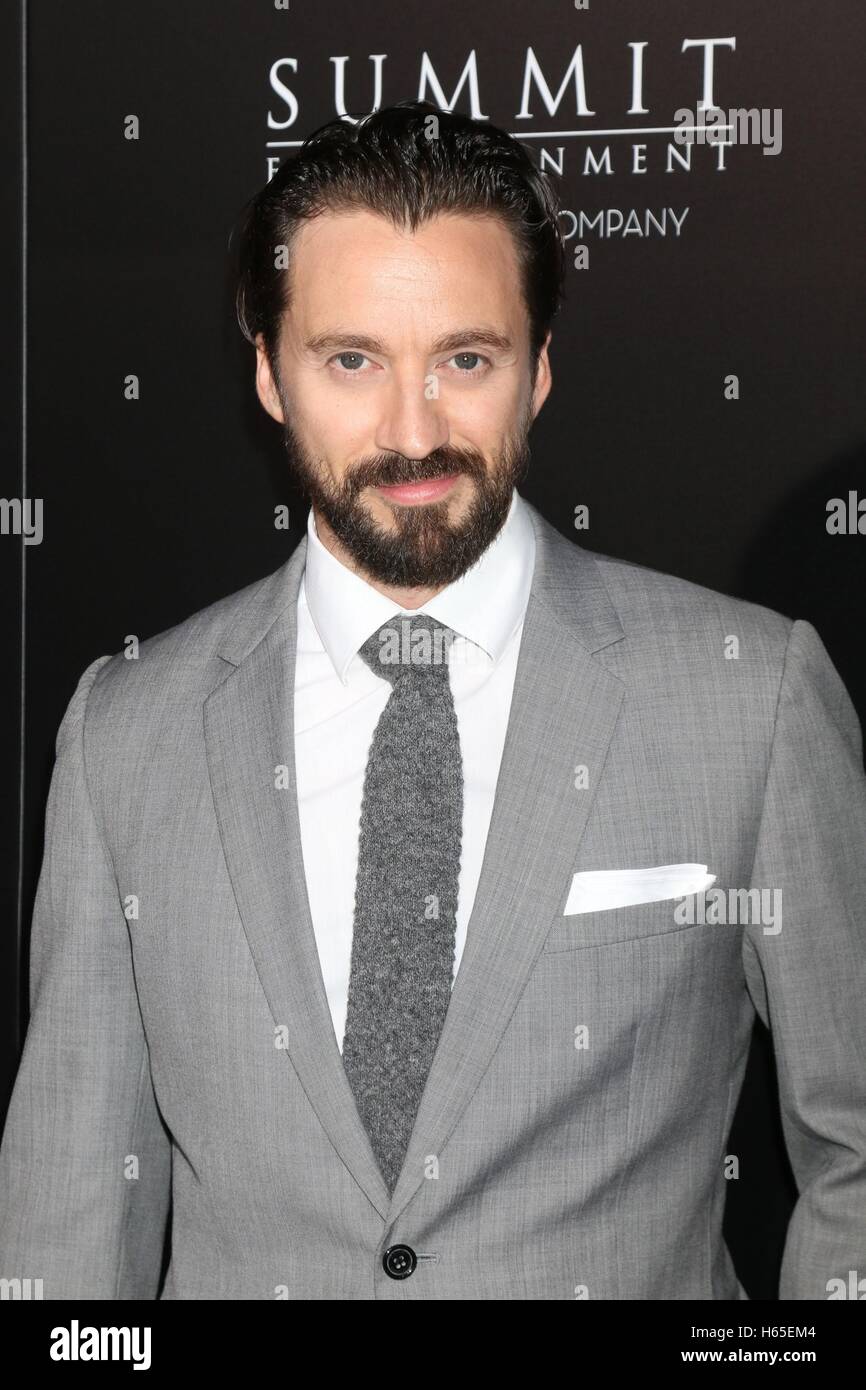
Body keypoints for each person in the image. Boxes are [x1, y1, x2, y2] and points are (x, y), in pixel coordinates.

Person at [1, 100, 864, 1301]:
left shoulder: (749, 696)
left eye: (465, 359)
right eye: (351, 360)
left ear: (539, 366)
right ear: (267, 372)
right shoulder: (124, 736)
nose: (413, 433)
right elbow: (72, 1206)